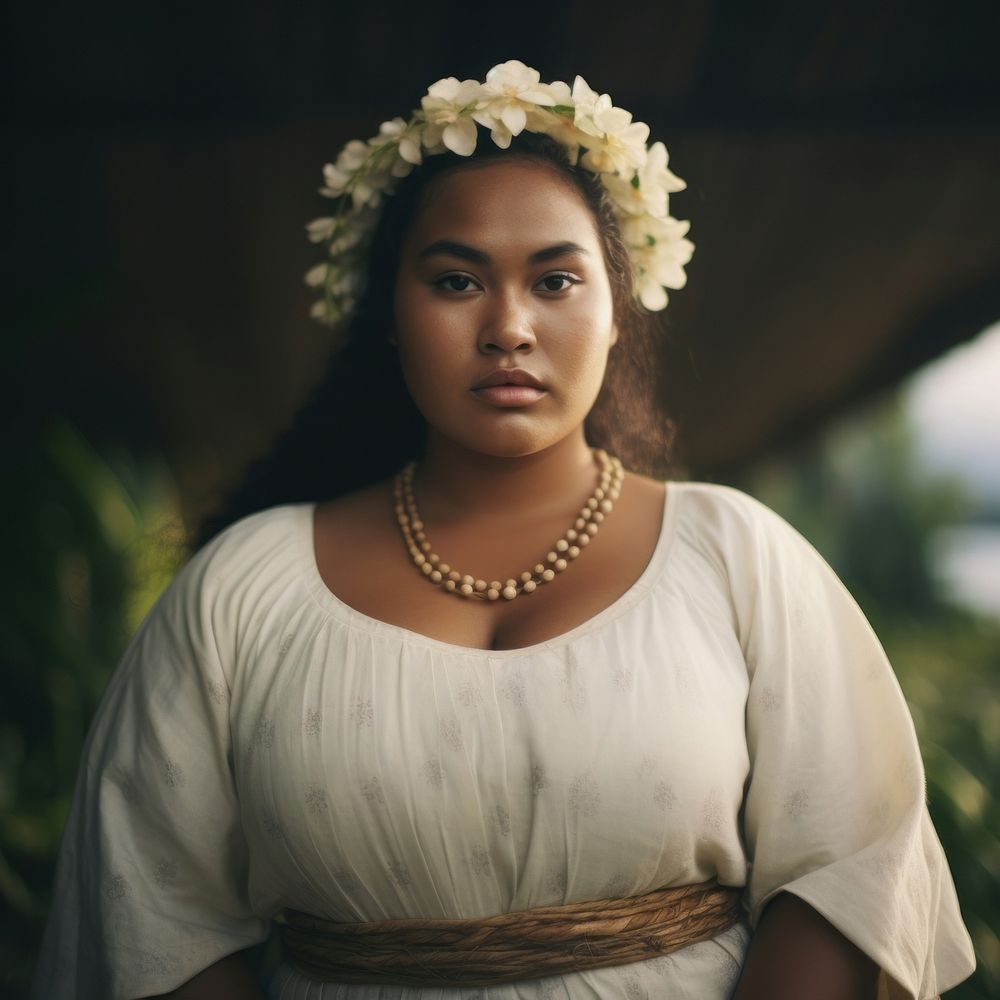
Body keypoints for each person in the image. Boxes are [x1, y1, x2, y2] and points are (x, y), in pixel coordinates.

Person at [33, 61, 976, 1000]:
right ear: (390, 319)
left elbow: (850, 862)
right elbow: (153, 906)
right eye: (456, 281)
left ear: (616, 312)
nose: (510, 327)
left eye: (557, 280)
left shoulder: (739, 558)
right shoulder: (241, 588)